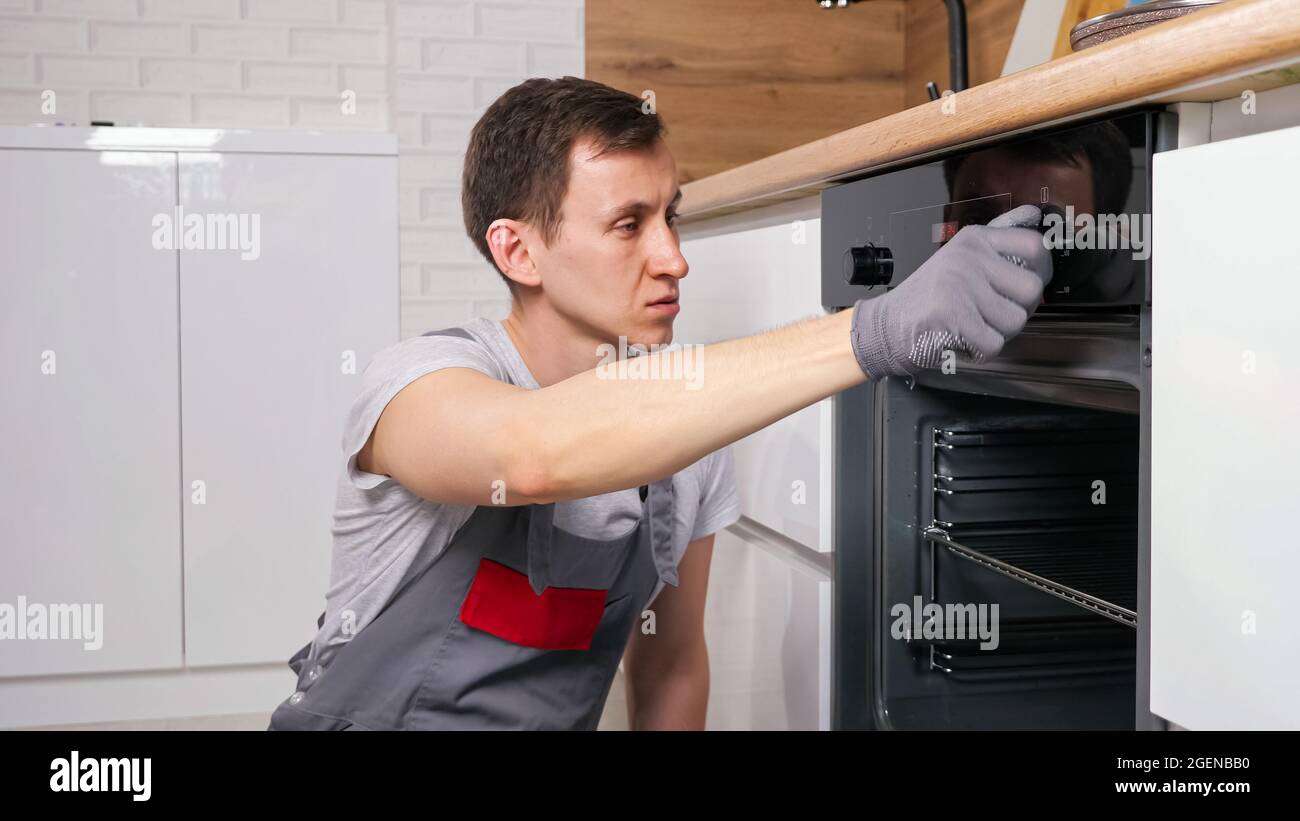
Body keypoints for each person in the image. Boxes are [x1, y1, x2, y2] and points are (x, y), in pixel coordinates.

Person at [267, 76, 1052, 732]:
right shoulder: (415, 384)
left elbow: (672, 667)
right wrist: (871, 332)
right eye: (627, 225)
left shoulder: (685, 446)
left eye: (669, 214)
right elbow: (532, 456)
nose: (674, 257)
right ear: (518, 250)